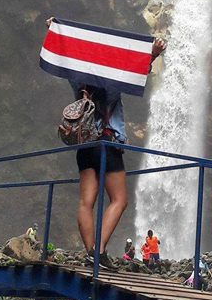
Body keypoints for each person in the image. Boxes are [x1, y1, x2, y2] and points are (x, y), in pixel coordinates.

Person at [50, 17, 165, 268]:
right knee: (119, 200)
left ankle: (92, 251)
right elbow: (133, 73)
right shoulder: (111, 80)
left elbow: (65, 57)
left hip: (84, 146)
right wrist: (153, 54)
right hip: (107, 144)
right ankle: (98, 252)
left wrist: (55, 30)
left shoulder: (78, 80)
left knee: (86, 201)